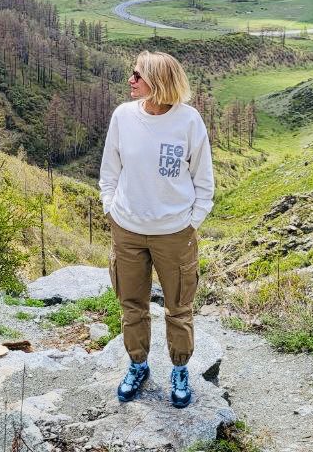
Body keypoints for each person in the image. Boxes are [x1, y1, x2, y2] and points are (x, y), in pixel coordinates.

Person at [98, 50, 214, 408]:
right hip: (127, 230)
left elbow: (203, 181)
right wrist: (111, 208)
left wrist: (190, 222)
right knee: (132, 305)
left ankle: (180, 370)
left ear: (159, 81)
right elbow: (110, 169)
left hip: (175, 233)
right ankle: (138, 364)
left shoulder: (189, 121)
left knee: (178, 308)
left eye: (137, 75)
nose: (130, 81)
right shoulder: (123, 116)